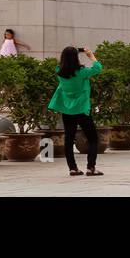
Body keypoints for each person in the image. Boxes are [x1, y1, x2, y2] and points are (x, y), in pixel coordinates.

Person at [48, 46, 104, 177]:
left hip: (67, 109)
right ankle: (91, 168)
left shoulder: (59, 71)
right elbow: (98, 68)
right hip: (82, 108)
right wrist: (91, 55)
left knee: (69, 138)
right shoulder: (82, 71)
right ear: (76, 57)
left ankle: (72, 168)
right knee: (93, 138)